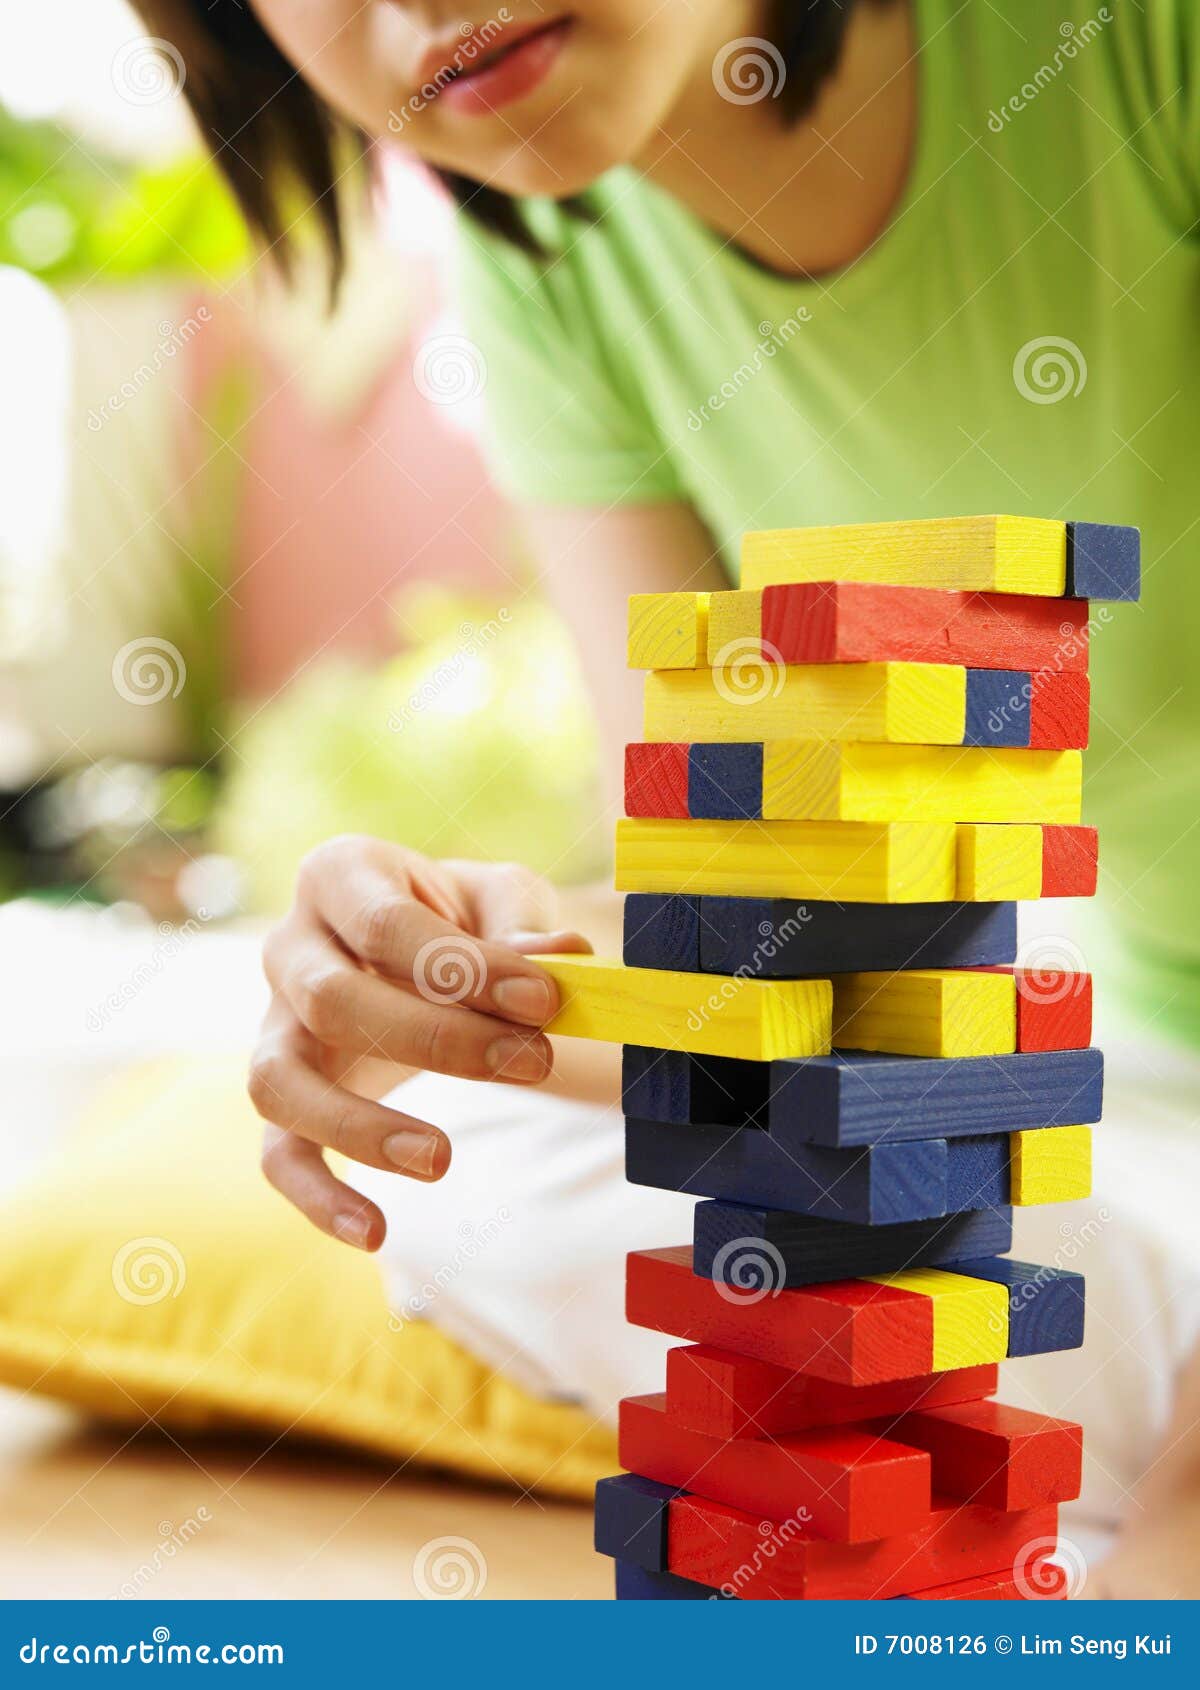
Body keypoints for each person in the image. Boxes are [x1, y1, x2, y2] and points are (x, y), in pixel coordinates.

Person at [136, 0, 1200, 1595]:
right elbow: (780, 962)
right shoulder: (550, 259)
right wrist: (472, 978)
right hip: (1127, 1087)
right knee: (471, 1171)